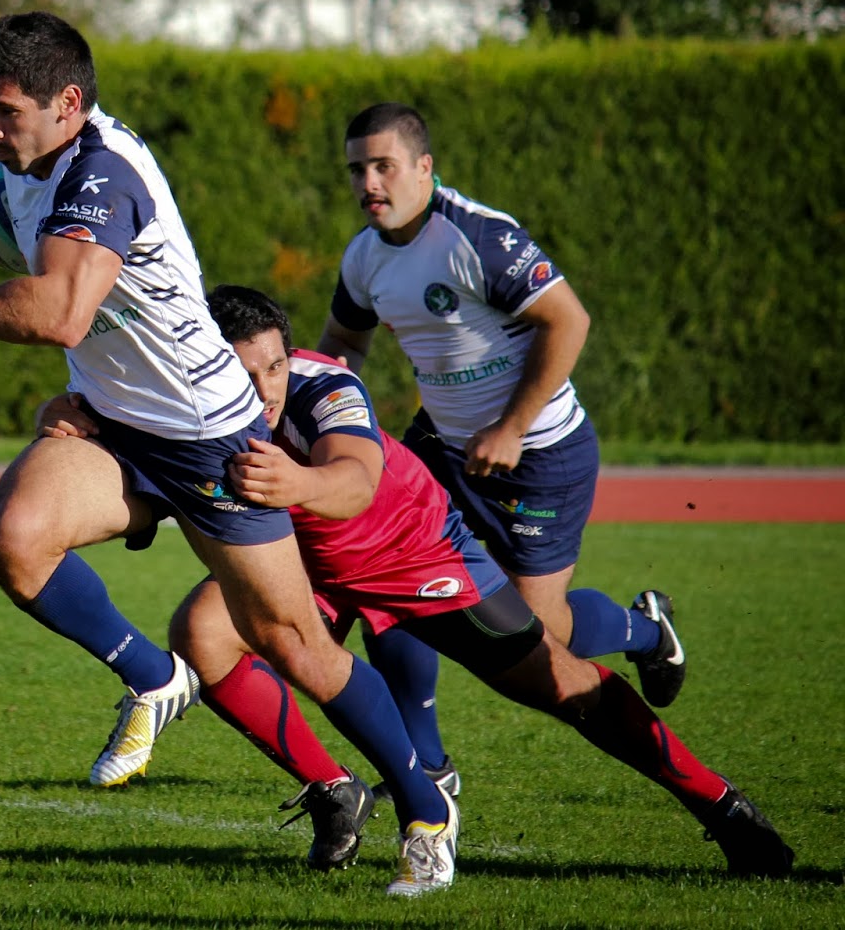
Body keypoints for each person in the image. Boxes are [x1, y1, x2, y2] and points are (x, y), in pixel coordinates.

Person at [0, 13, 457, 888]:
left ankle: (426, 807)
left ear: (69, 104)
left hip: (209, 433)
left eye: (4, 111)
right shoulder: (18, 165)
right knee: (13, 541)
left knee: (293, 646)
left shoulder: (103, 176)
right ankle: (162, 681)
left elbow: (58, 314)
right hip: (118, 423)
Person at [156, 285, 789, 892]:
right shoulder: (183, 402)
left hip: (414, 551)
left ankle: (724, 808)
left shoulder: (325, 385)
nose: (264, 390)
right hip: (304, 569)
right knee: (201, 635)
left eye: (274, 368)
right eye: (244, 373)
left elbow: (357, 480)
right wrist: (74, 420)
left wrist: (297, 485)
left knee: (562, 683)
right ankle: (338, 790)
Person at [314, 102, 688, 792]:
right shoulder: (365, 256)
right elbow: (342, 348)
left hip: (541, 455)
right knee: (389, 587)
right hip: (438, 446)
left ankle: (643, 629)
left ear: (424, 169)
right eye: (357, 169)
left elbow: (568, 321)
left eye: (383, 165)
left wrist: (512, 428)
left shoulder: (478, 238)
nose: (369, 181)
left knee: (537, 632)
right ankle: (429, 763)